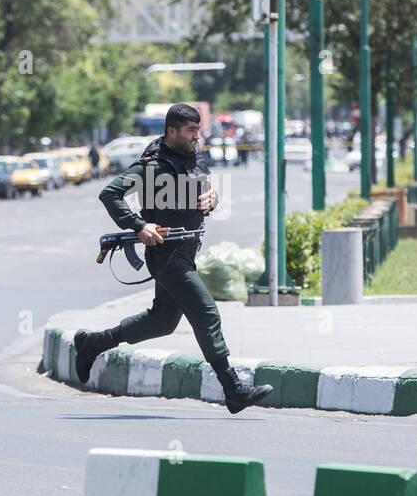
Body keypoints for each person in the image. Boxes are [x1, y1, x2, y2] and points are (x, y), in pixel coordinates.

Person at [74, 104, 272, 415]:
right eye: (191, 130)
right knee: (207, 313)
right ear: (172, 132)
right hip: (166, 255)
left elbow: (205, 190)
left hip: (187, 252)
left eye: (198, 129)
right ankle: (233, 388)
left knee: (162, 322)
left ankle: (93, 344)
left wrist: (213, 198)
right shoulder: (151, 167)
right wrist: (139, 226)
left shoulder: (193, 158)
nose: (197, 136)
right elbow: (110, 194)